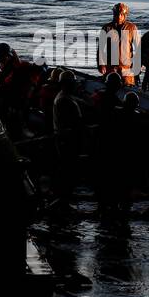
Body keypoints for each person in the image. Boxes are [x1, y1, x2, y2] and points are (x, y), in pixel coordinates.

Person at [52, 73, 84, 203]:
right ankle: (63, 199)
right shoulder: (64, 100)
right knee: (68, 169)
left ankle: (63, 198)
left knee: (67, 168)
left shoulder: (64, 97)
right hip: (67, 140)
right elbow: (74, 122)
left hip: (66, 138)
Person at [97, 2, 139, 86]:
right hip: (110, 67)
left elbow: (138, 49)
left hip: (126, 68)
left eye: (121, 14)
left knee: (128, 88)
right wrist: (101, 65)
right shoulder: (106, 28)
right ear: (113, 14)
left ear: (125, 15)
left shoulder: (132, 28)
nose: (119, 16)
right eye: (116, 14)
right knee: (109, 87)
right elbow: (100, 49)